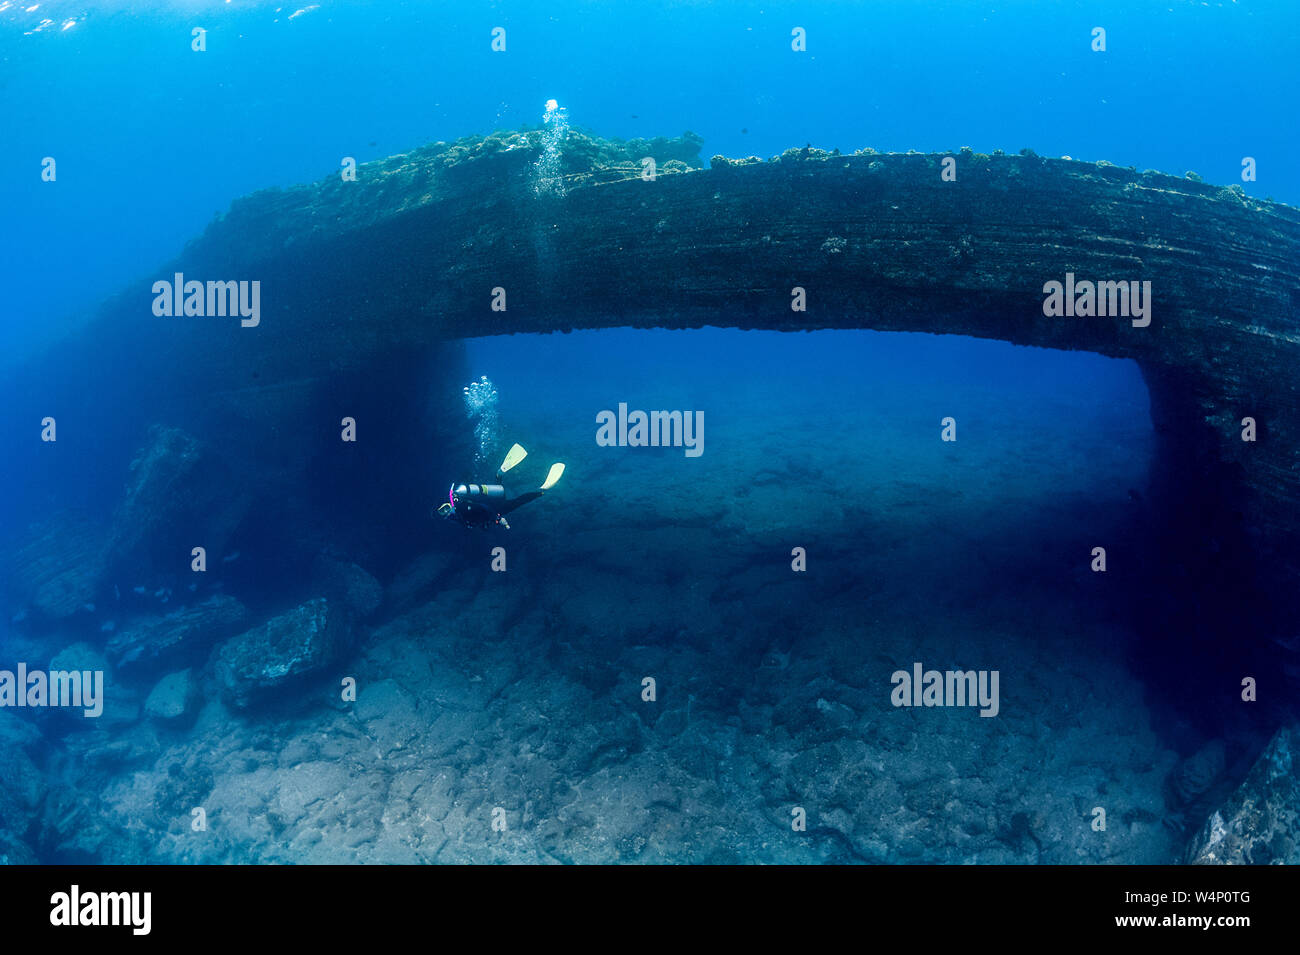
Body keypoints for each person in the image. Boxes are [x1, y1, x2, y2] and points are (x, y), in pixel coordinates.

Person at [436, 443, 564, 530]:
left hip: (495, 507)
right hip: (493, 500)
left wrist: (498, 518)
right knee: (501, 490)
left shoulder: (462, 508)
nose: (446, 511)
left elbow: (482, 507)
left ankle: (540, 491)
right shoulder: (459, 517)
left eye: (445, 508)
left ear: (449, 504)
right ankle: (499, 473)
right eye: (443, 512)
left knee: (518, 501)